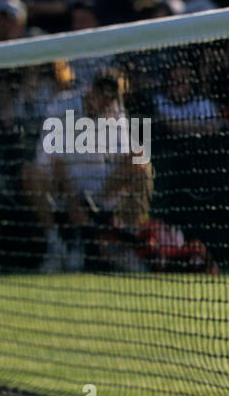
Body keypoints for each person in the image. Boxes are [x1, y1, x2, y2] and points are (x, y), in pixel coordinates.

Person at [27, 68, 152, 273]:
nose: (106, 100)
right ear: (91, 90)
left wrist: (95, 204)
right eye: (102, 93)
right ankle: (55, 247)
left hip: (101, 189)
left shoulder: (115, 111)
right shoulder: (62, 105)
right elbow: (55, 162)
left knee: (142, 165)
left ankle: (121, 243)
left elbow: (128, 153)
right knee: (31, 173)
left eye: (112, 96)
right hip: (62, 185)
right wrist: (74, 201)